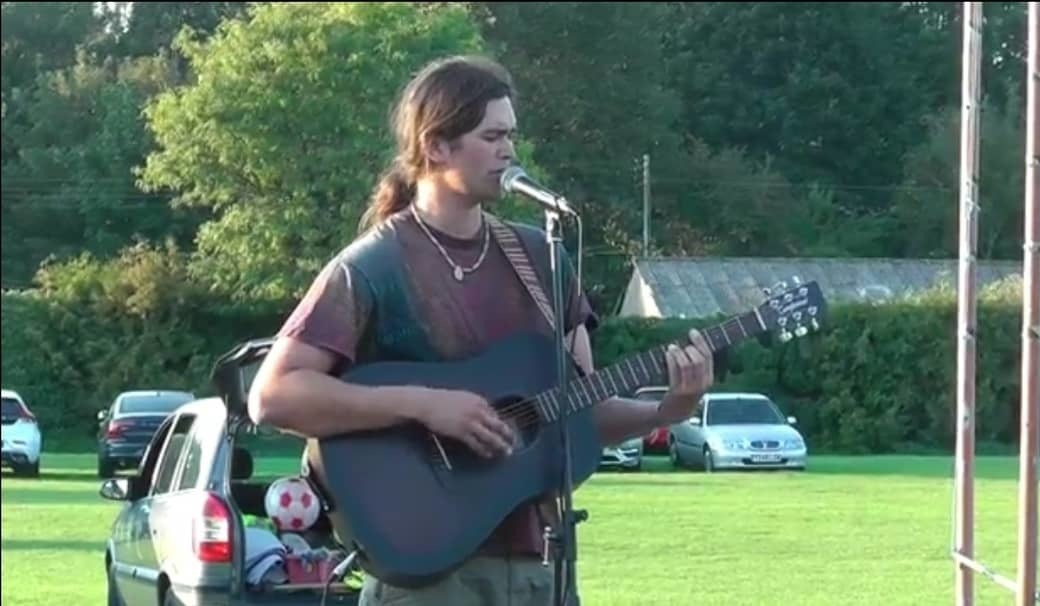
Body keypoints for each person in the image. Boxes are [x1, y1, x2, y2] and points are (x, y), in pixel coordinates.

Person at [247, 55, 718, 606]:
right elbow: (273, 396)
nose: (509, 151)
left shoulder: (543, 259)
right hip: (428, 574)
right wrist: (426, 405)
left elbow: (578, 411)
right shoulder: (373, 265)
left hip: (542, 567)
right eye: (492, 136)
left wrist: (668, 410)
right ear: (436, 146)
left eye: (511, 135)